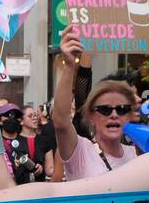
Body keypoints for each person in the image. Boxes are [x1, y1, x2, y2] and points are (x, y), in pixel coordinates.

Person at [49, 26, 141, 181]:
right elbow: (61, 121)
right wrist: (70, 65)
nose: (113, 115)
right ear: (91, 115)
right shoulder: (81, 152)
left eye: (122, 109)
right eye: (105, 110)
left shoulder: (137, 154)